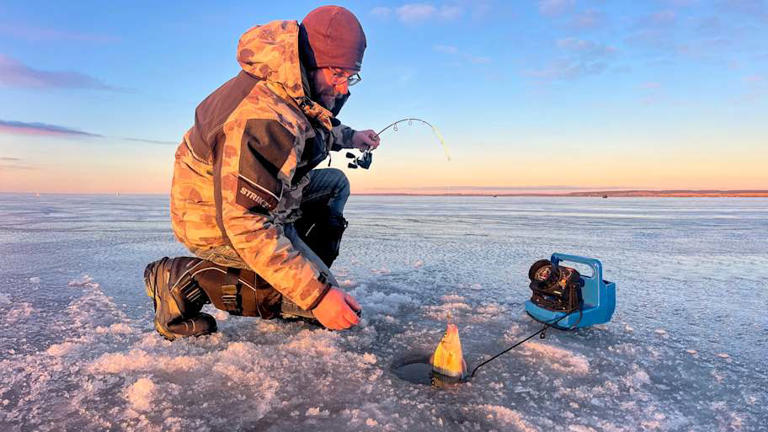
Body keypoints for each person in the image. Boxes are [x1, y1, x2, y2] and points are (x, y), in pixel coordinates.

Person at [143, 6, 380, 340]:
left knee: (334, 184)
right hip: (212, 217)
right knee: (319, 308)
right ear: (312, 61)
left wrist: (352, 137)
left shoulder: (294, 85)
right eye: (337, 74)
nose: (343, 88)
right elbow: (246, 223)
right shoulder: (265, 117)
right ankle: (183, 279)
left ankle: (297, 270)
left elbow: (312, 126)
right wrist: (316, 295)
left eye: (350, 76)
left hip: (266, 200)